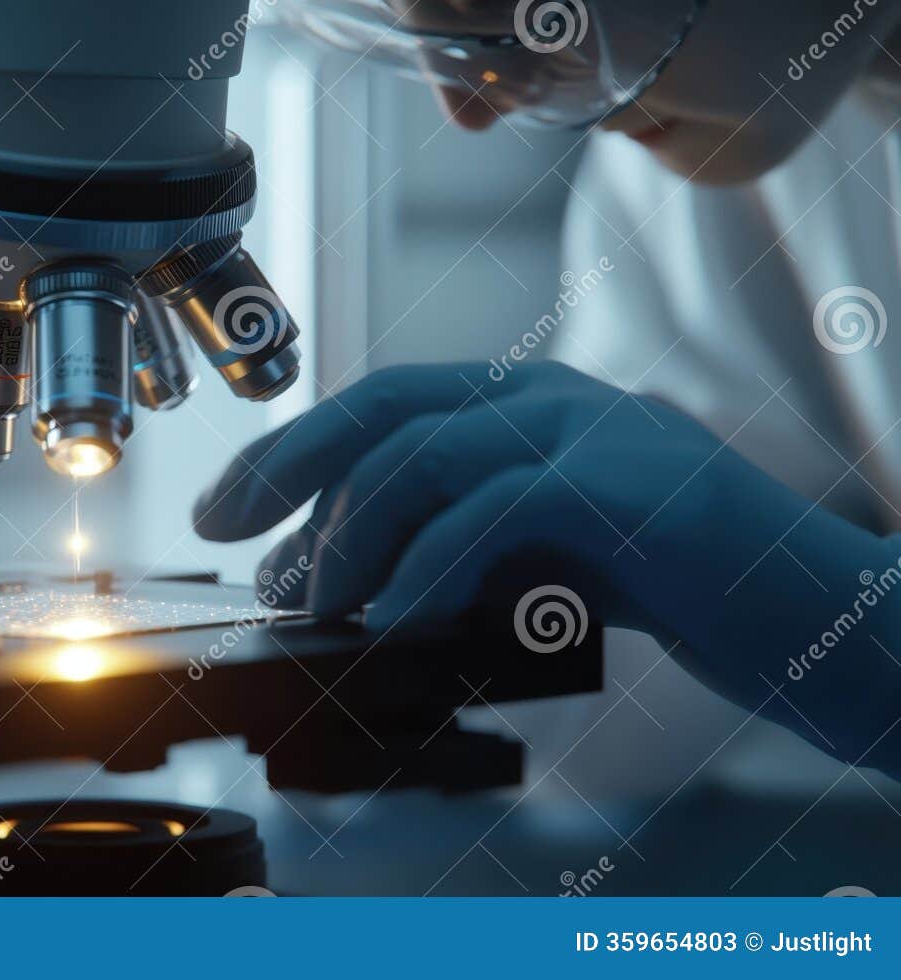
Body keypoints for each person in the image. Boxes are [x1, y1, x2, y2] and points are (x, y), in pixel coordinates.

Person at [207, 0, 901, 778]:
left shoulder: (727, 101)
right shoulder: (717, 152)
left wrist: (874, 644)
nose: (469, 105)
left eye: (487, 1)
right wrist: (406, 652)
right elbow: (626, 729)